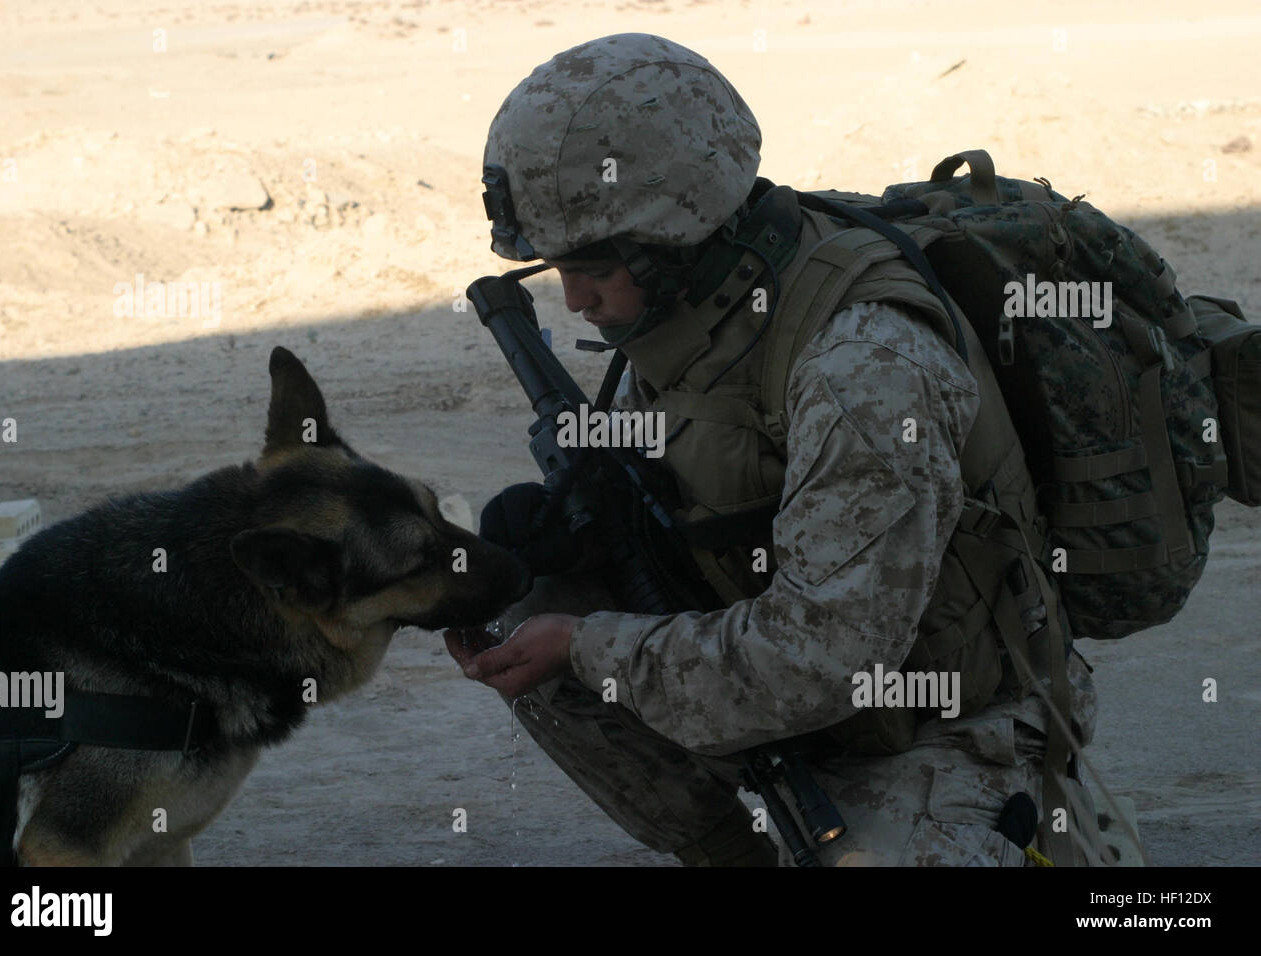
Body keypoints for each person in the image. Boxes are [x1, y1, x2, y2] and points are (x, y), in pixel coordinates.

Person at [445, 32, 1107, 866]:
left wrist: (585, 643)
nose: (574, 300)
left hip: (947, 721)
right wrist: (566, 538)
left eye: (596, 268)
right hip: (794, 677)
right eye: (558, 268)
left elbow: (823, 659)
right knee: (518, 608)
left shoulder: (862, 366)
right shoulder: (705, 295)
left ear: (675, 235)